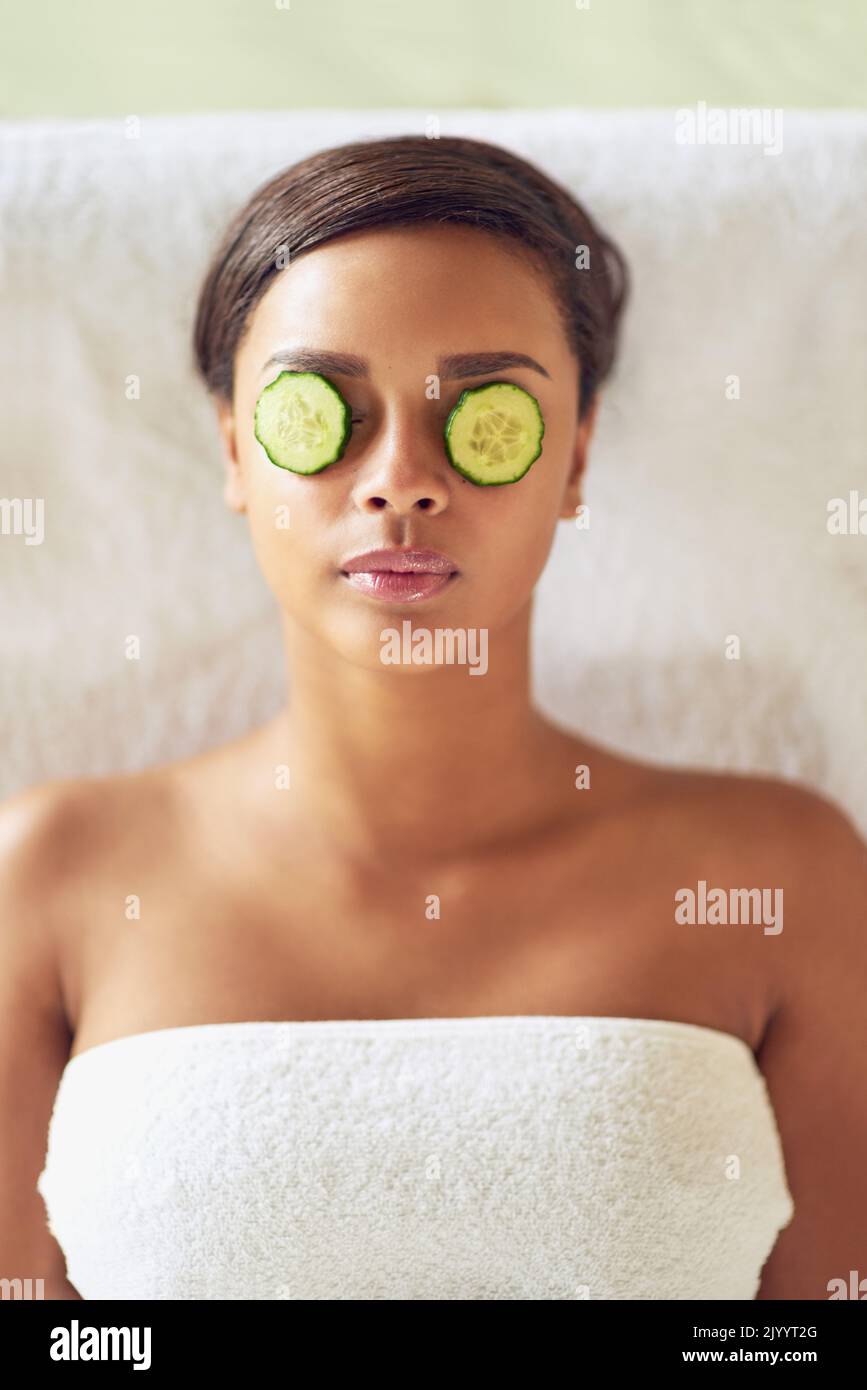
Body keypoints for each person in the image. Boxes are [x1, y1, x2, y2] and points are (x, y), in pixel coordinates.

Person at [1, 135, 865, 1301]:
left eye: (483, 414)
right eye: (322, 411)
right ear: (233, 453)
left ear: (574, 457)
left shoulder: (784, 874)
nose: (400, 478)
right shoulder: (50, 877)